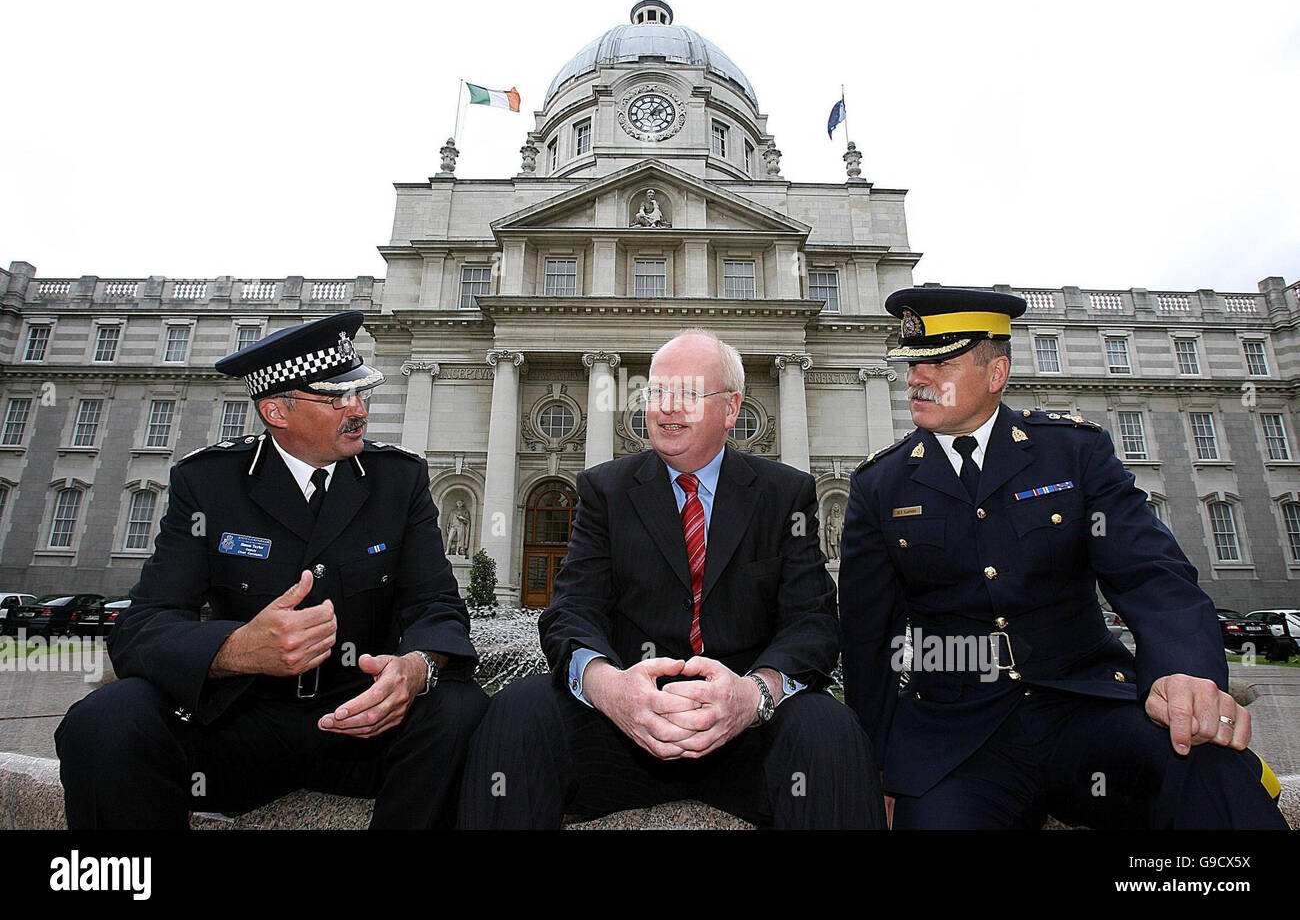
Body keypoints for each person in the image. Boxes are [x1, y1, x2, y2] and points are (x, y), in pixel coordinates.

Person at [838, 287, 1288, 829]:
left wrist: (1186, 671)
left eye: (939, 362)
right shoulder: (879, 485)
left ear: (996, 372)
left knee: (1210, 771)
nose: (916, 377)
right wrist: (879, 766)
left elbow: (1150, 572)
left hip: (1085, 708)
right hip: (957, 740)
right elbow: (868, 636)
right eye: (913, 363)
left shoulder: (1073, 451)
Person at [55, 312, 487, 829]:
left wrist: (417, 666)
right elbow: (145, 627)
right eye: (334, 398)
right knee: (105, 721)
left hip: (365, 722)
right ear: (276, 410)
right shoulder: (210, 484)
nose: (358, 410)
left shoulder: (400, 479)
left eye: (359, 393)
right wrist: (233, 650)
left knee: (459, 710)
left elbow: (435, 603)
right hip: (244, 725)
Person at [458, 329, 883, 829]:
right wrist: (609, 689)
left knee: (830, 730)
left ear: (731, 409)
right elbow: (571, 610)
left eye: (685, 394)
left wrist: (753, 696)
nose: (664, 408)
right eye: (655, 392)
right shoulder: (604, 490)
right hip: (622, 733)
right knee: (517, 712)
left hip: (747, 736)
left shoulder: (785, 495)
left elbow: (812, 622)